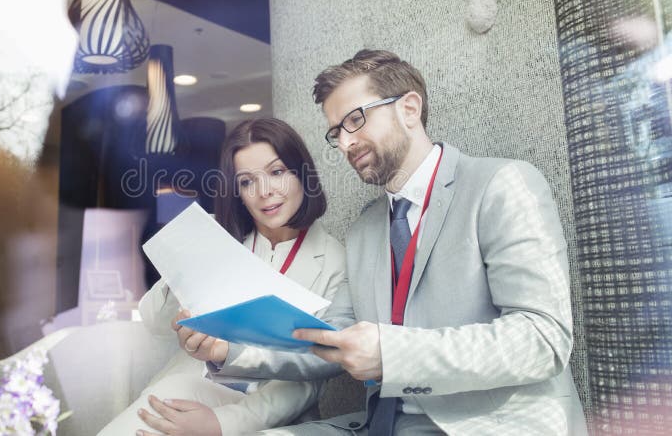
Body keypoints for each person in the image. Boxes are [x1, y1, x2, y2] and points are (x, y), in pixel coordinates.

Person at [170, 50, 587, 435]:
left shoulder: (502, 186)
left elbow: (544, 339)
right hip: (379, 426)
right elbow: (326, 339)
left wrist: (392, 354)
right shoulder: (366, 229)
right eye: (336, 132)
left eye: (355, 120)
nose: (346, 143)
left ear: (409, 108)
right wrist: (230, 350)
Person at [98, 118, 347, 436]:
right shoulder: (217, 235)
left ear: (302, 173)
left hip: (263, 413)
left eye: (276, 172)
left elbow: (310, 376)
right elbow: (153, 322)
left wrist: (222, 424)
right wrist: (182, 274)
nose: (264, 192)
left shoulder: (334, 261)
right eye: (246, 182)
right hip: (195, 383)